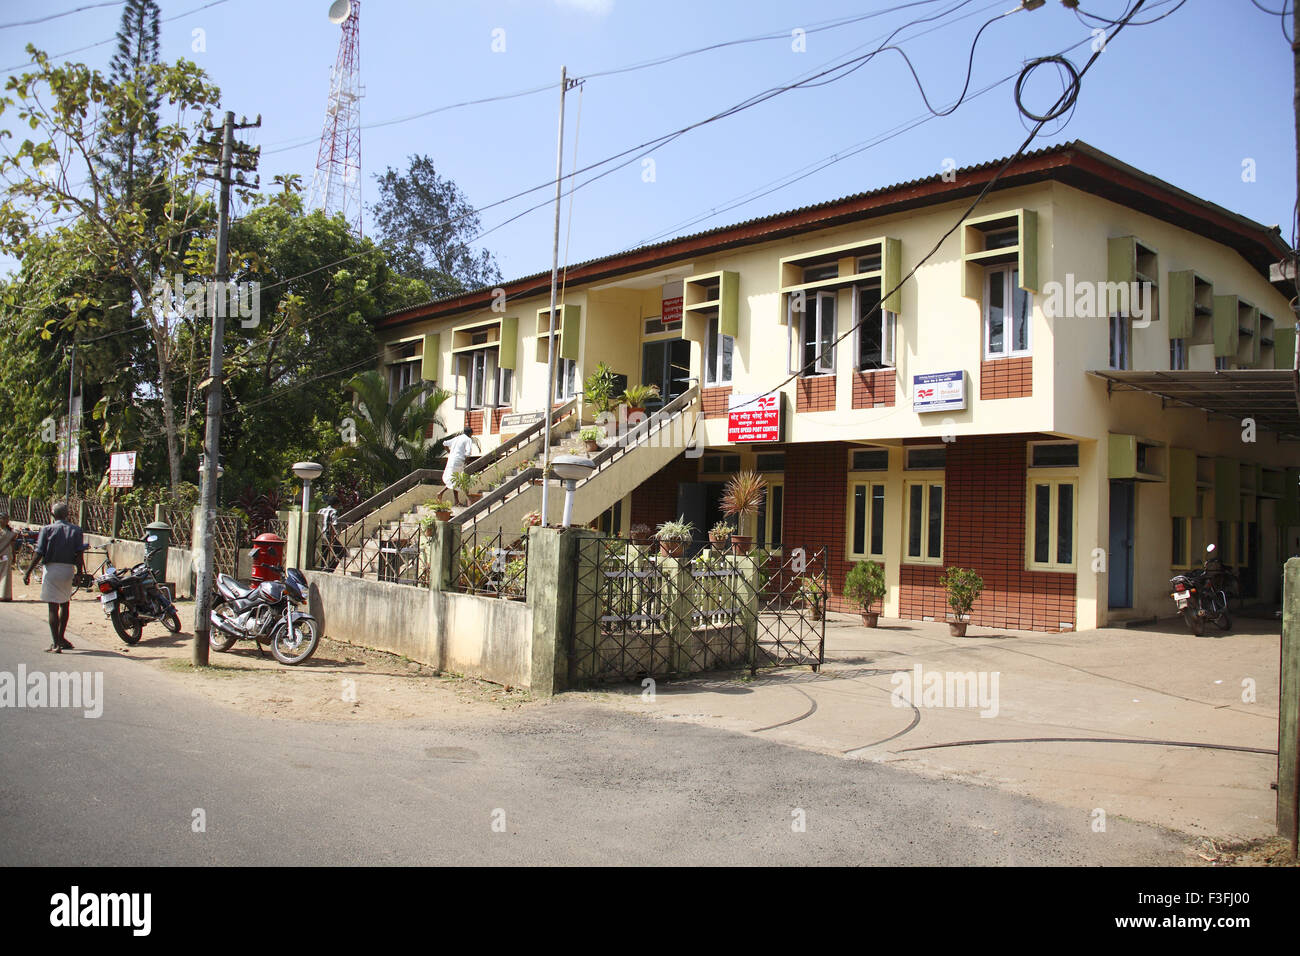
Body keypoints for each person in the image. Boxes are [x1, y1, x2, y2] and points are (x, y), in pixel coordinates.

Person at [23, 501, 85, 653]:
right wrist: (80, 573)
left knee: (53, 606)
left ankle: (56, 643)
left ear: (52, 515)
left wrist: (28, 571)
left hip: (52, 569)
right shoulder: (76, 530)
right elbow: (79, 554)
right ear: (67, 514)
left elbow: (39, 552)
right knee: (65, 603)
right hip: (67, 570)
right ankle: (62, 637)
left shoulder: (47, 529)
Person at [442, 426, 478, 506]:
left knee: (454, 479)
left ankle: (456, 501)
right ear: (470, 434)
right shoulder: (468, 439)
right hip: (458, 461)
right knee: (456, 480)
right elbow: (468, 453)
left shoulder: (457, 438)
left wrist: (449, 452)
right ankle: (441, 493)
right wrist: (465, 462)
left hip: (451, 460)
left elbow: (444, 443)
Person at [0, 513, 17, 602]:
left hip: (6, 555)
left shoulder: (10, 533)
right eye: (3, 518)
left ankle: (5, 595)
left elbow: (12, 545)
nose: (5, 520)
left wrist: (14, 556)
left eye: (7, 519)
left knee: (5, 574)